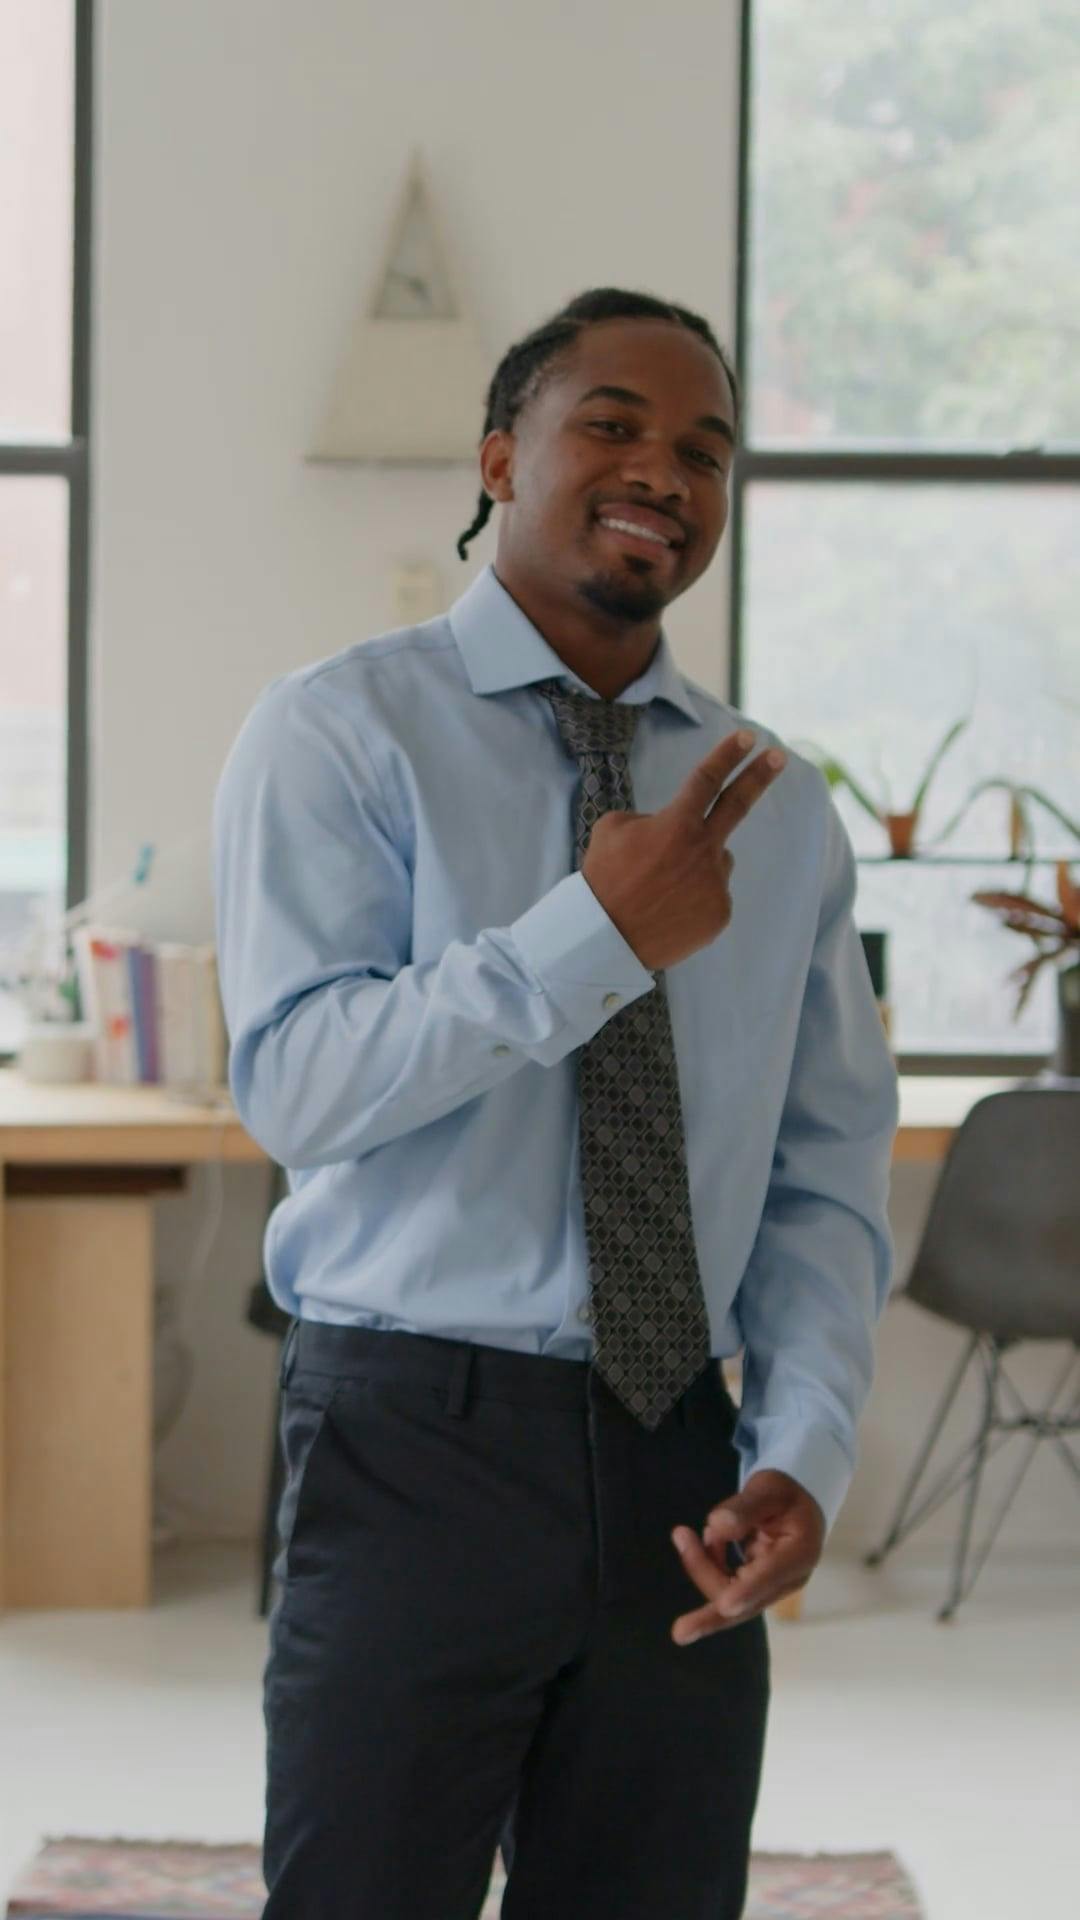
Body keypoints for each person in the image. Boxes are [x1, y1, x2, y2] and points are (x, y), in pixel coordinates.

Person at [212, 285, 899, 1920]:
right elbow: (298, 1088)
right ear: (498, 455)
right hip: (411, 1446)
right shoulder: (340, 732)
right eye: (614, 424)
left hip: (681, 1455)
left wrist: (800, 1445)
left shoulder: (773, 803)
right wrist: (589, 939)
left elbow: (823, 1173)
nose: (664, 469)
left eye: (705, 450)